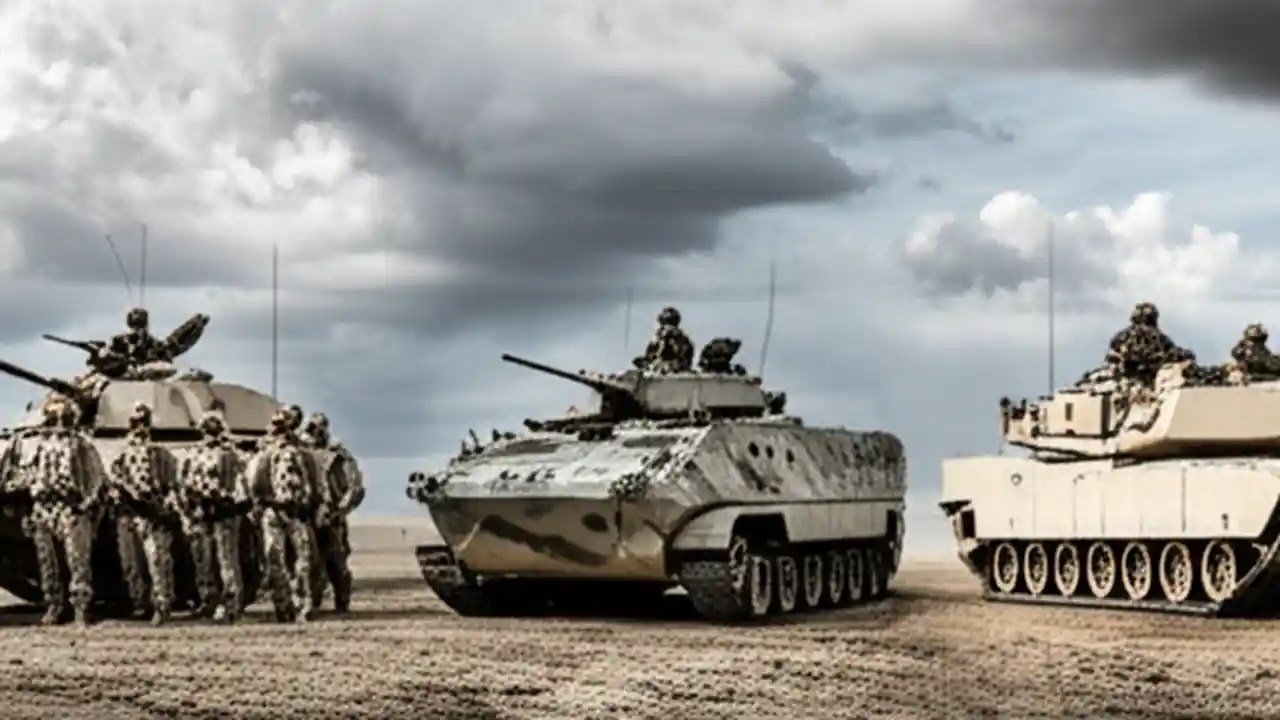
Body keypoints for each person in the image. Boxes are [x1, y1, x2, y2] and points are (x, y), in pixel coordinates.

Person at [24, 399, 105, 626]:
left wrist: (88, 503)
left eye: (64, 418)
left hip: (71, 508)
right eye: (52, 418)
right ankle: (53, 603)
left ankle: (81, 605)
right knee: (47, 560)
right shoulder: (38, 446)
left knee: (77, 560)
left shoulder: (81, 445)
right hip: (44, 507)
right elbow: (29, 474)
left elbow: (96, 477)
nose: (58, 423)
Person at [105, 402, 178, 625]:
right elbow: (112, 480)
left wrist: (165, 505)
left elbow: (173, 483)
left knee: (157, 561)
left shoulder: (162, 454)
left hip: (152, 514)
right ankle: (140, 602)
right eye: (135, 423)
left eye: (143, 422)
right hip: (128, 513)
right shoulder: (120, 455)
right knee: (131, 563)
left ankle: (162, 604)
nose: (139, 427)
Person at [177, 410, 253, 623]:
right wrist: (188, 508)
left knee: (226, 559)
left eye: (212, 429)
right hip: (200, 512)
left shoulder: (231, 455)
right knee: (203, 560)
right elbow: (183, 482)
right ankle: (207, 600)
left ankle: (231, 603)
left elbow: (242, 485)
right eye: (206, 429)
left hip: (224, 512)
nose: (209, 433)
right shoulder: (194, 454)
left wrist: (232, 503)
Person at [247, 409, 318, 623]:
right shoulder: (266, 454)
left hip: (295, 511)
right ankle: (284, 605)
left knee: (302, 561)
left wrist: (310, 506)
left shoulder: (301, 453)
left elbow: (313, 481)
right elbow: (254, 483)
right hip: (274, 511)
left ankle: (302, 604)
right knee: (275, 560)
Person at [300, 412, 364, 613]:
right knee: (309, 560)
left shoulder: (338, 455)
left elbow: (354, 486)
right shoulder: (301, 453)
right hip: (307, 512)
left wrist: (342, 509)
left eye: (319, 427)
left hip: (332, 512)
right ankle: (313, 600)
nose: (316, 432)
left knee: (336, 560)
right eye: (313, 427)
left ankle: (341, 600)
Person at [1104, 302, 1194, 385]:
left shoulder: (1157, 336)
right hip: (1133, 370)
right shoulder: (1127, 335)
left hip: (1148, 371)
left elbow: (1171, 351)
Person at [633, 306, 694, 373]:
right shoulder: (657, 339)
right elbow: (650, 356)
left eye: (671, 322)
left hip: (677, 372)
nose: (668, 327)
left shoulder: (682, 339)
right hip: (657, 371)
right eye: (666, 322)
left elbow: (685, 357)